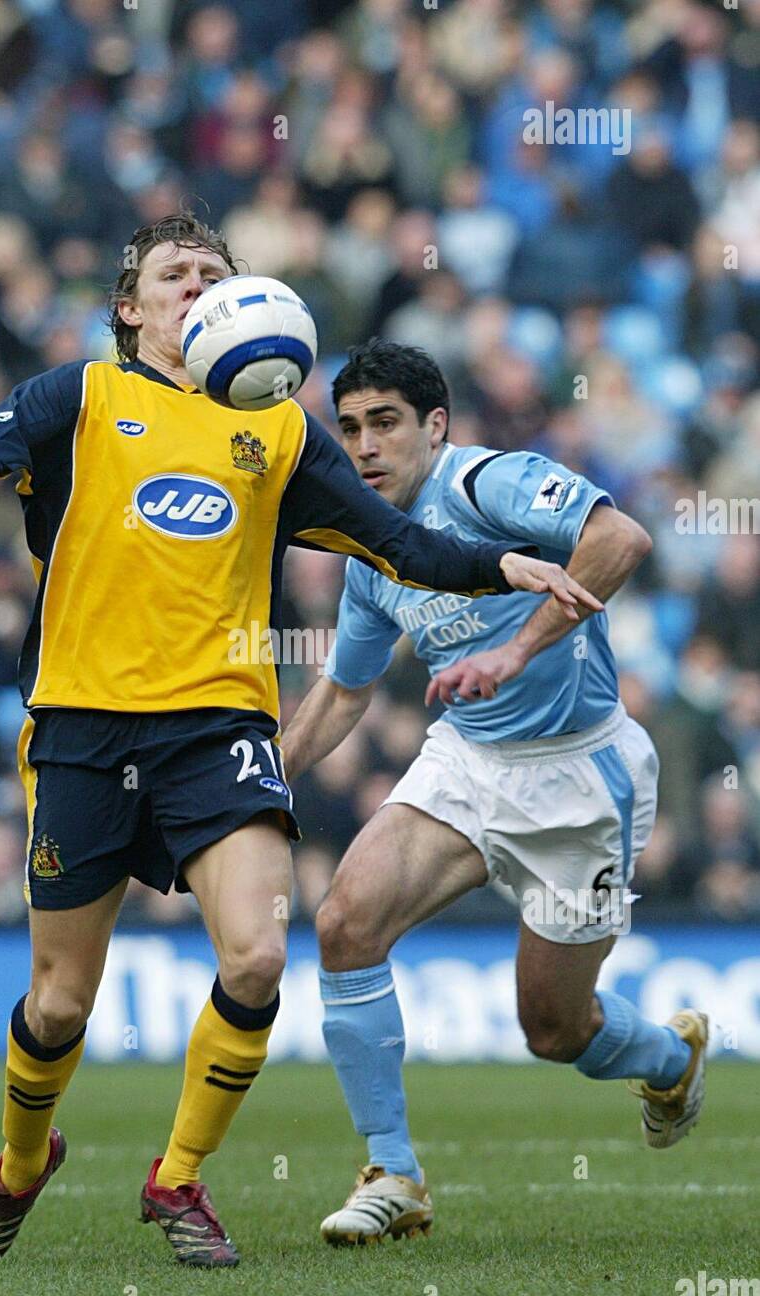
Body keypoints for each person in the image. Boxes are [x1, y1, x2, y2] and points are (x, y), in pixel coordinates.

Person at [0, 213, 597, 1269]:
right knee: (59, 1001)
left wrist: (498, 566)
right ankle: (20, 1163)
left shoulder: (279, 432)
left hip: (220, 724)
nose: (195, 287)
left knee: (254, 956)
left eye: (213, 274)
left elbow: (393, 541)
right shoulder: (82, 396)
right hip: (80, 722)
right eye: (174, 274)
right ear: (131, 304)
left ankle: (179, 1178)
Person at [281, 339, 707, 1247]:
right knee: (345, 922)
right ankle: (394, 1171)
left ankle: (672, 1058)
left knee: (553, 1031)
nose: (365, 447)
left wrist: (517, 650)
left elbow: (620, 539)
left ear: (435, 427)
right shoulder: (372, 557)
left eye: (386, 423)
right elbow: (347, 692)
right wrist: (259, 779)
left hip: (578, 777)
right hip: (468, 763)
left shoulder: (490, 486)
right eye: (349, 428)